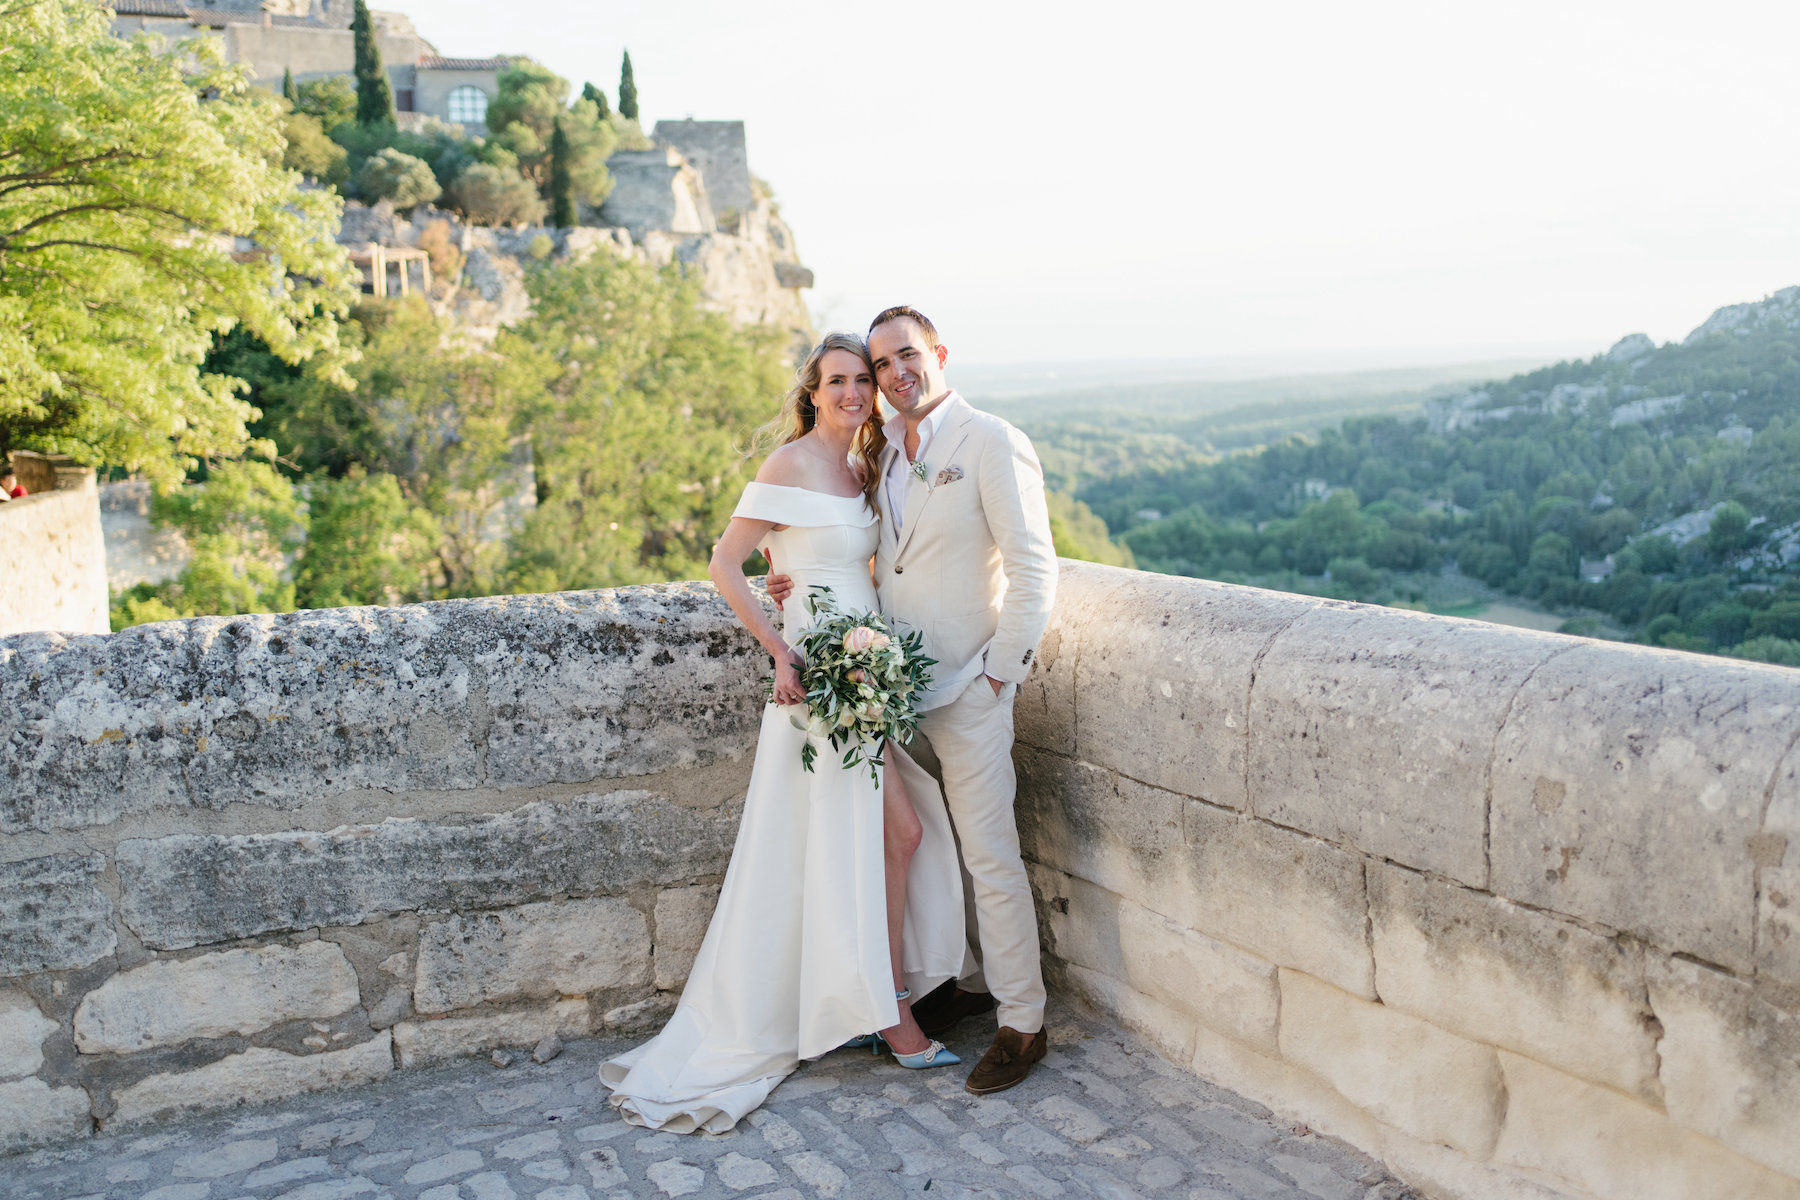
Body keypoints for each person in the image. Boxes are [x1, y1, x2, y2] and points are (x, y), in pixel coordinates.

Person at [599, 333, 967, 1134]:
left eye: (860, 380)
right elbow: (724, 563)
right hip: (821, 681)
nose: (851, 392)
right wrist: (782, 648)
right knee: (888, 833)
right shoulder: (787, 466)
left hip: (868, 675)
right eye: (836, 380)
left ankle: (876, 994)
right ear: (812, 391)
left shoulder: (864, 470)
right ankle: (890, 1011)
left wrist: (795, 571)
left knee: (888, 836)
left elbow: (854, 565)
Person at [768, 306, 1059, 1095]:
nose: (894, 374)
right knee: (919, 839)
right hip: (888, 690)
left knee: (990, 854)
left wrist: (1001, 676)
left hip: (968, 686)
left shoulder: (991, 441)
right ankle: (957, 979)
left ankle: (1021, 1023)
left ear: (936, 354)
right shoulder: (885, 450)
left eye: (905, 357)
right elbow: (854, 549)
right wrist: (783, 574)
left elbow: (1036, 569)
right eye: (879, 364)